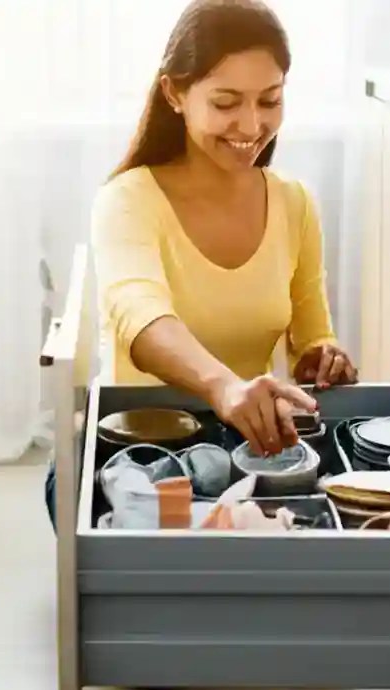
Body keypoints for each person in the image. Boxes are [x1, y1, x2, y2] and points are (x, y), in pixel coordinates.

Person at [45, 0, 358, 528]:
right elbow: (139, 317)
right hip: (135, 454)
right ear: (174, 94)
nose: (252, 125)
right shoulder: (128, 199)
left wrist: (323, 360)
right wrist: (224, 386)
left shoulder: (295, 202)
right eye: (226, 102)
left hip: (245, 451)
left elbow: (312, 338)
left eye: (270, 99)